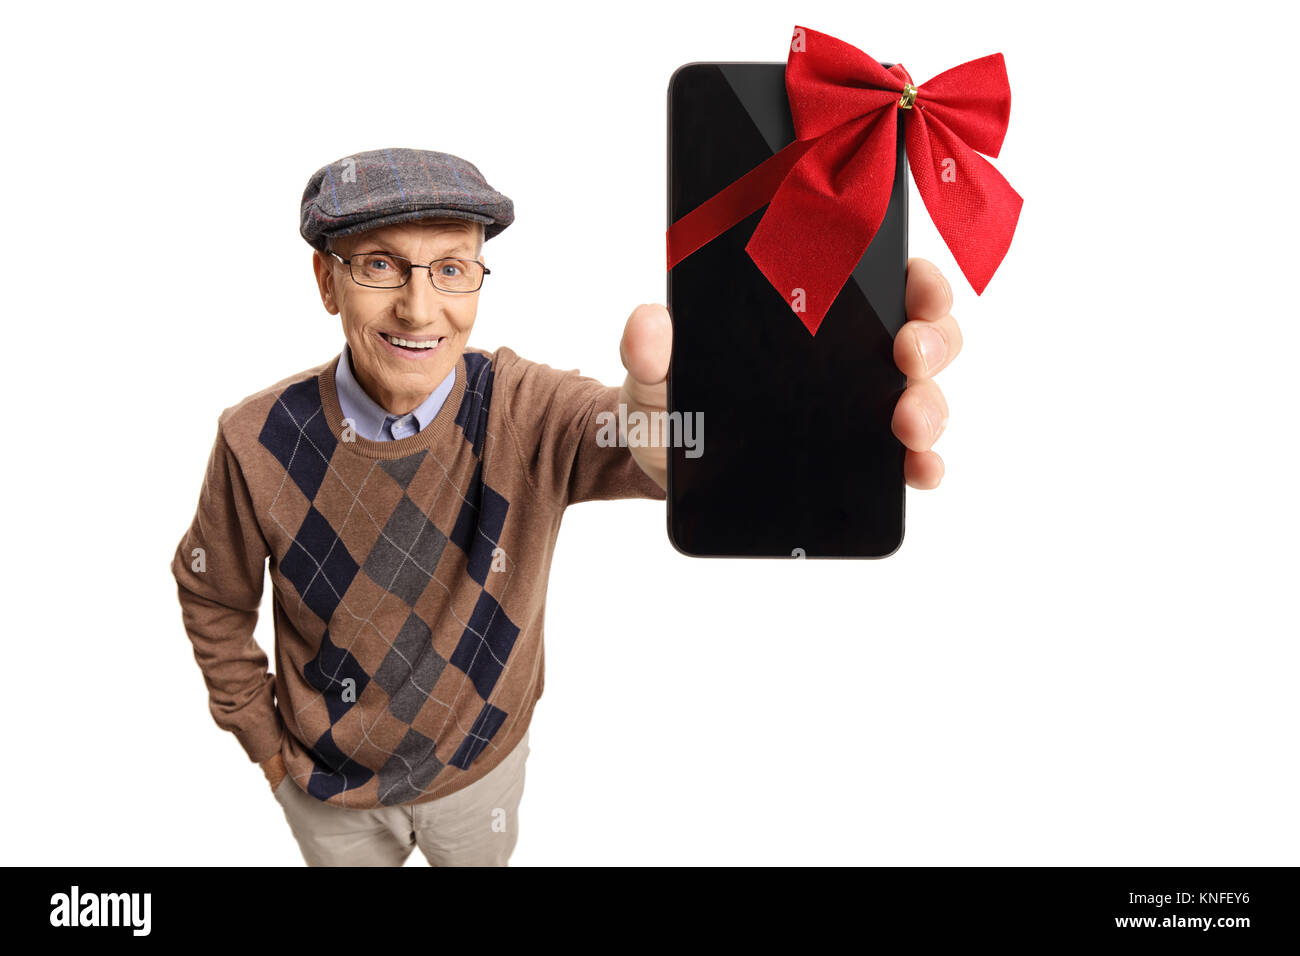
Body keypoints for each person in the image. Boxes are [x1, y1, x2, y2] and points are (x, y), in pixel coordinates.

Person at [170, 147, 960, 866]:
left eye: (451, 269)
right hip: (328, 795)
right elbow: (210, 593)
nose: (418, 308)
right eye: (380, 266)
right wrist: (267, 751)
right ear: (325, 281)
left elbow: (629, 431)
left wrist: (705, 428)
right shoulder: (253, 442)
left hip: (482, 774)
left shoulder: (521, 408)